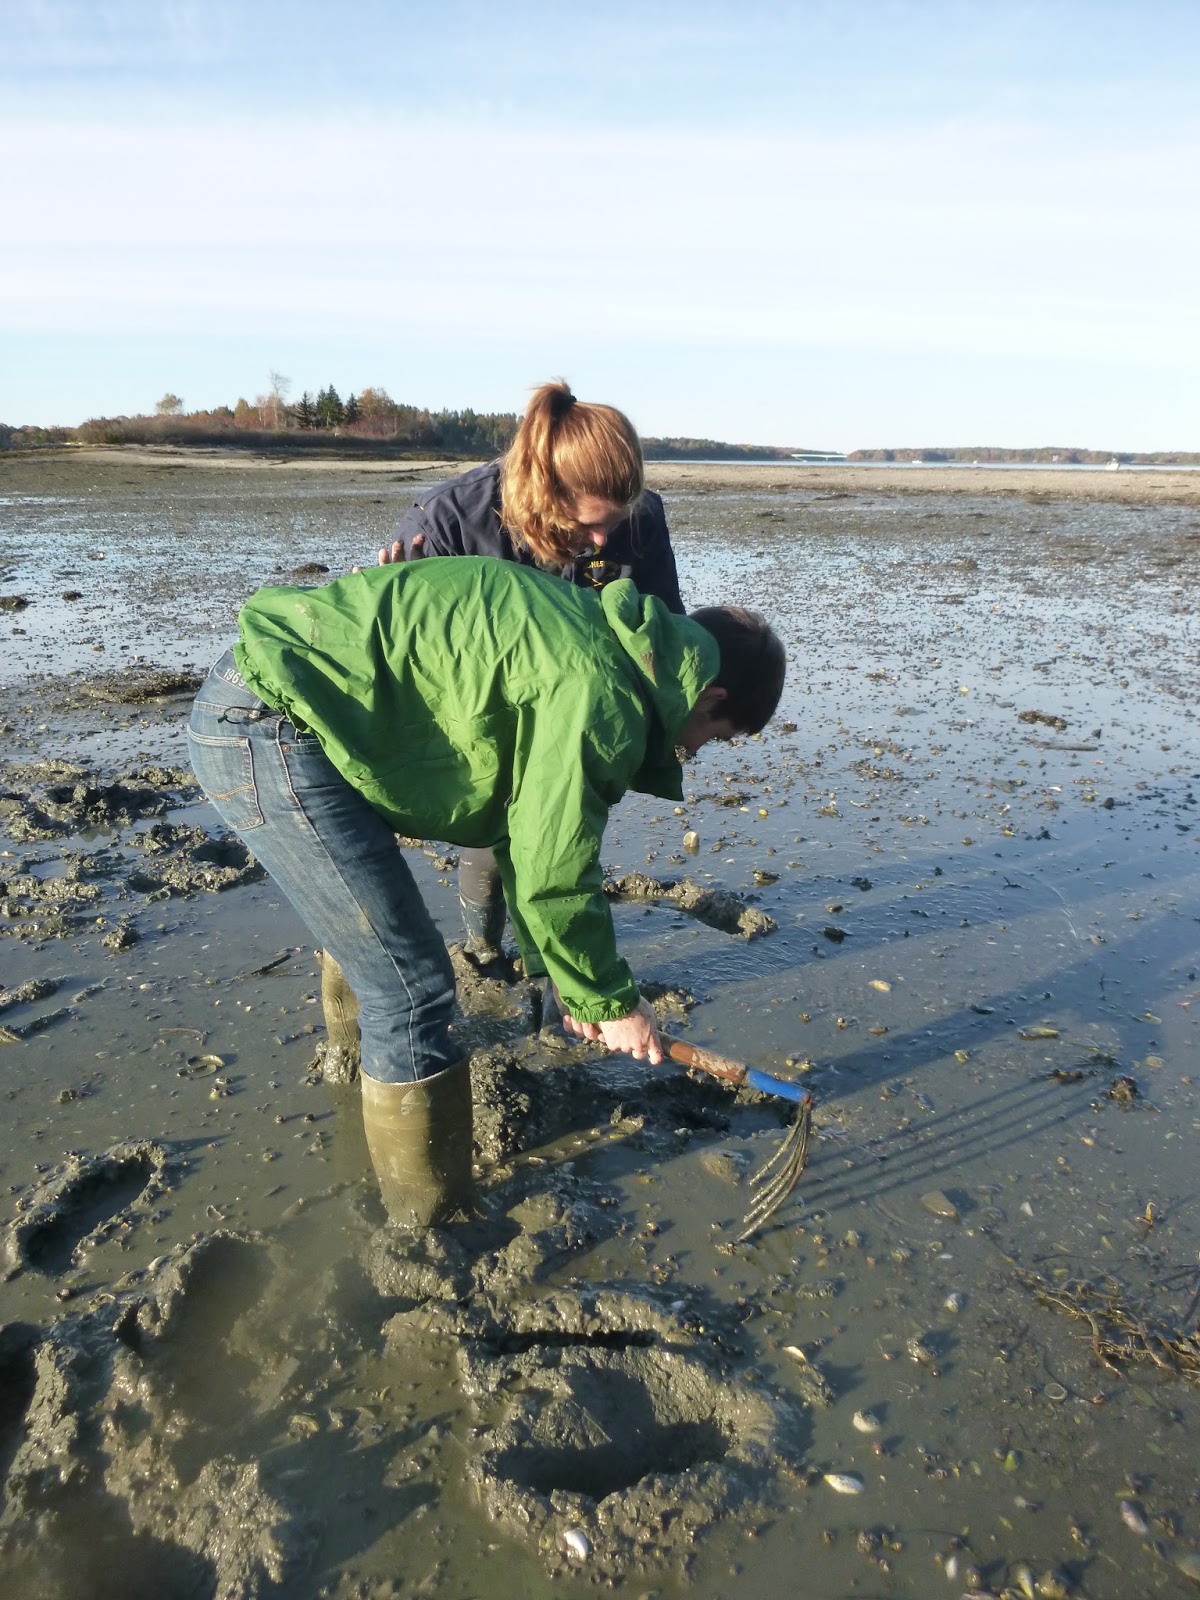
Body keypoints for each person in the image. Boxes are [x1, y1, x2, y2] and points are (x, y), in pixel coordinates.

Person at [188, 555, 785, 1227]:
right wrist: (610, 1000)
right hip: (272, 723)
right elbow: (557, 863)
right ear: (712, 699)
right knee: (410, 987)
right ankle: (431, 1227)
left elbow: (518, 832)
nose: (692, 754)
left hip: (285, 698)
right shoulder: (602, 694)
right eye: (711, 740)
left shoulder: (603, 642)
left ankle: (351, 1079)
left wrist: (558, 973)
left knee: (373, 935)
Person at [381, 380, 684, 977]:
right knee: (493, 838)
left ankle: (548, 971)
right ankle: (483, 950)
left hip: (573, 711)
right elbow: (401, 654)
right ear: (546, 488)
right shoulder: (446, 522)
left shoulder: (641, 520)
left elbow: (662, 628)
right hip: (476, 705)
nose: (603, 540)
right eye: (588, 523)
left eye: (615, 523)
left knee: (559, 845)